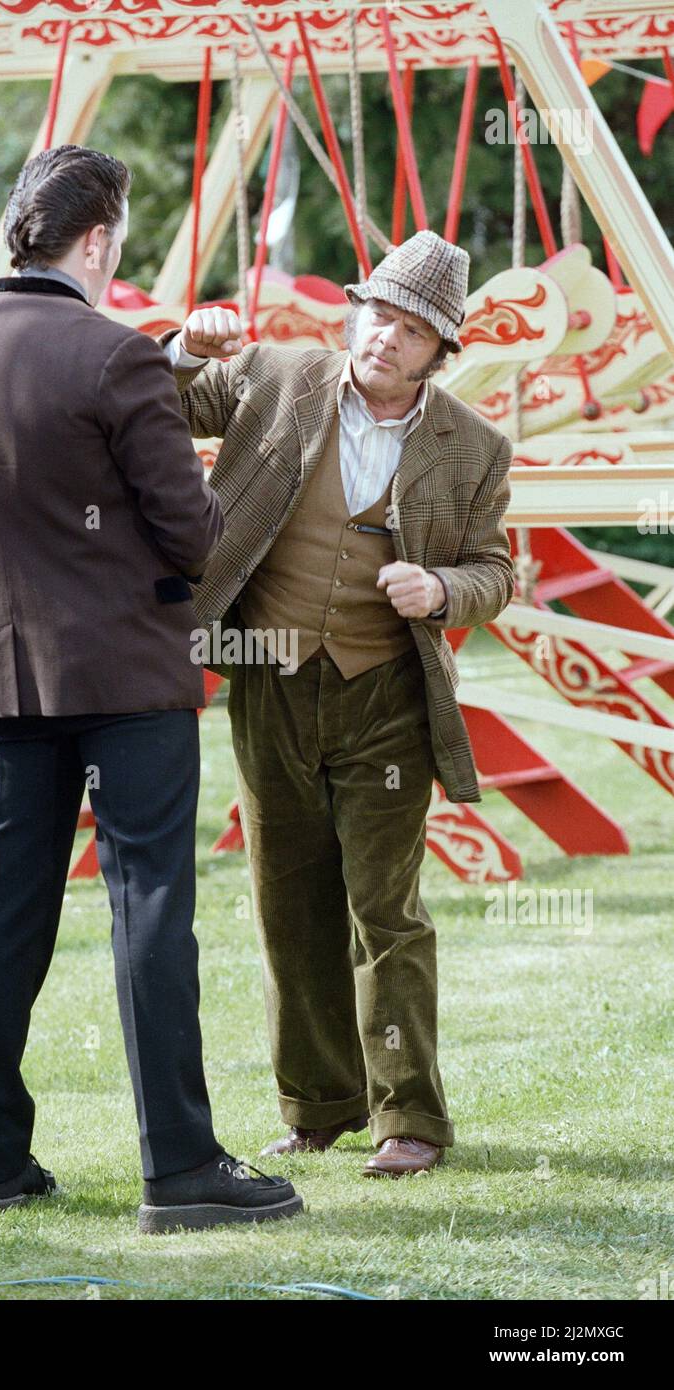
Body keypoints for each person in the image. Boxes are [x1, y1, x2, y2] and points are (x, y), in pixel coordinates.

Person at [0, 144, 303, 1232]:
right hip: (126, 671)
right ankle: (180, 1169)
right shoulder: (117, 357)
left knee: (1, 914)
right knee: (150, 907)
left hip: (2, 675)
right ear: (97, 240)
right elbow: (192, 533)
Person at [161, 229, 515, 1179]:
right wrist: (187, 348)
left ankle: (408, 1119)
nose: (385, 338)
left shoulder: (474, 447)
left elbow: (493, 572)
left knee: (384, 909)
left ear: (439, 353)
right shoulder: (274, 376)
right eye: (378, 316)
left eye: (412, 330)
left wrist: (441, 591)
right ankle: (317, 1106)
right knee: (286, 900)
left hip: (386, 695)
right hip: (268, 678)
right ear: (353, 316)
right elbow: (159, 405)